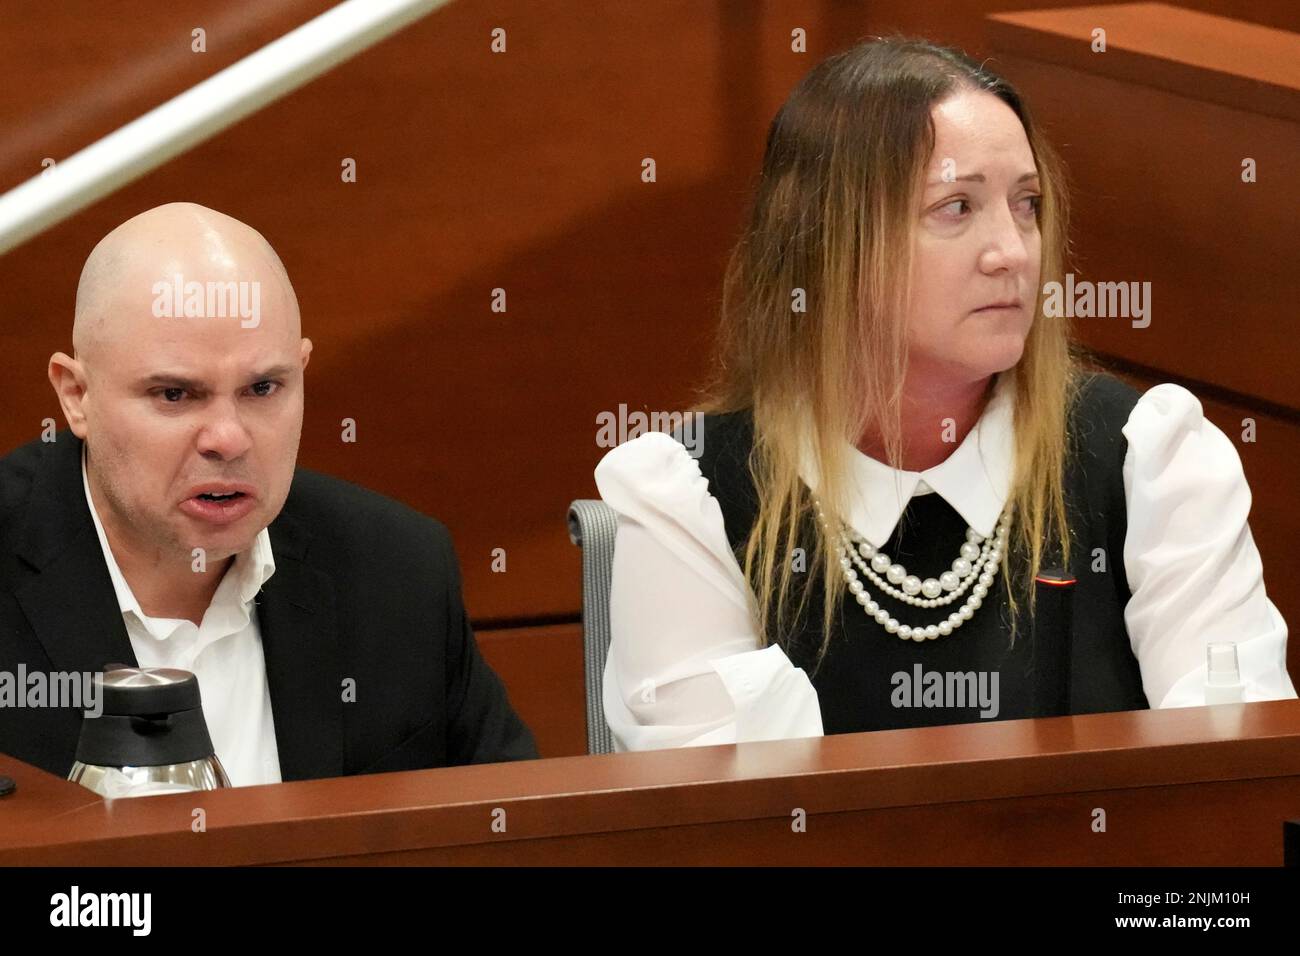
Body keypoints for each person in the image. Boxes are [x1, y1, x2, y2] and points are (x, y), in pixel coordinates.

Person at [594, 38, 1297, 752]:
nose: (1014, 252)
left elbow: (1231, 792)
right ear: (832, 246)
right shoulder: (693, 498)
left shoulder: (1148, 457)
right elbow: (719, 832)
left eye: (1026, 205)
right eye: (957, 207)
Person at [0, 202, 537, 782]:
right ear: (77, 396)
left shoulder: (398, 572)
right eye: (176, 395)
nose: (228, 439)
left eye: (262, 388)